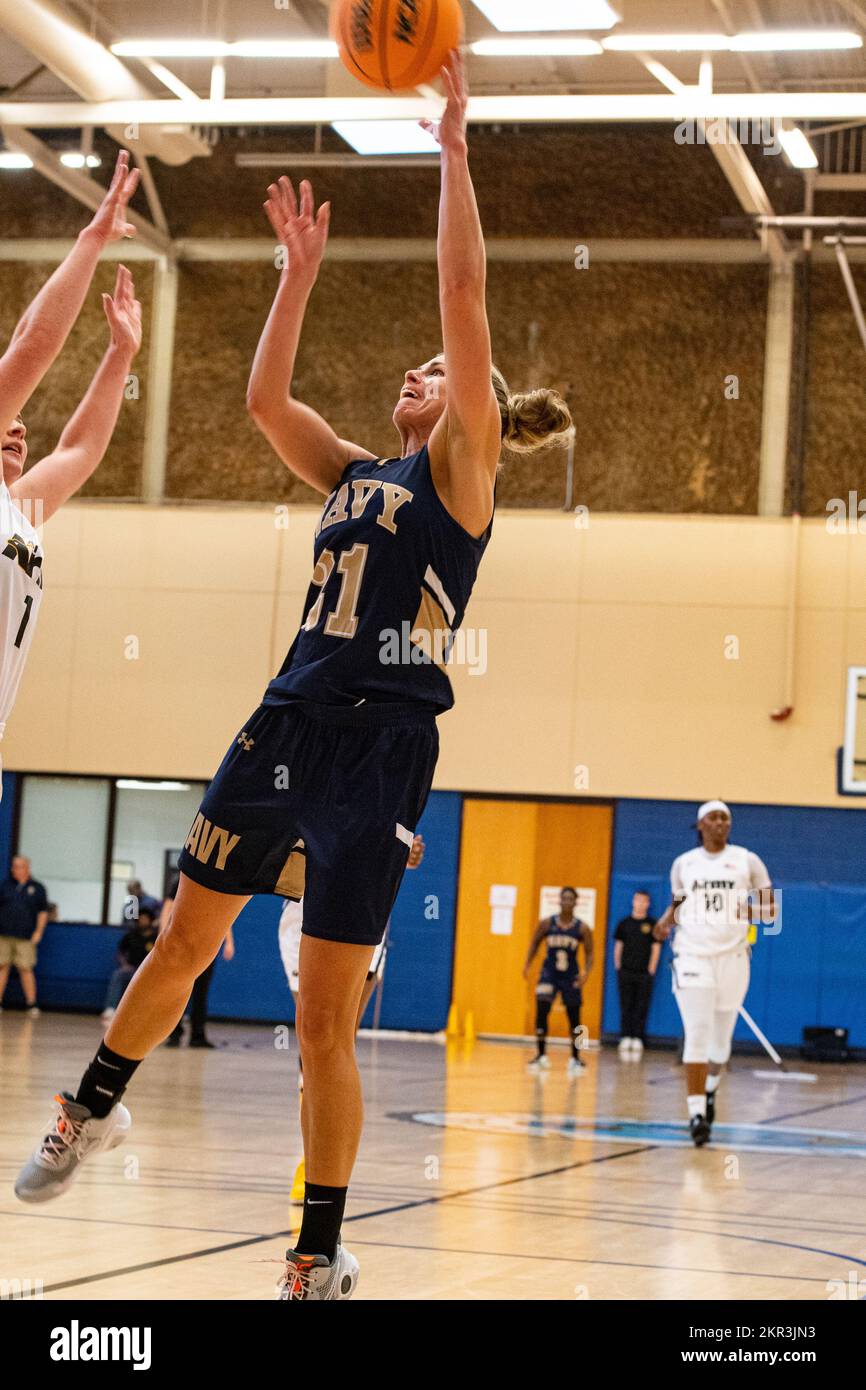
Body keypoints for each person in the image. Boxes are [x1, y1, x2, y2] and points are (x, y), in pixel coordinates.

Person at [15, 52, 573, 1302]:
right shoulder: (353, 472)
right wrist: (298, 277)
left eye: (434, 372)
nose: (415, 377)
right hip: (283, 720)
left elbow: (466, 288)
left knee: (325, 1018)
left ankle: (313, 1255)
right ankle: (88, 1110)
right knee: (181, 940)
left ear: (471, 402)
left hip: (382, 750)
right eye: (414, 373)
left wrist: (453, 153)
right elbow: (267, 397)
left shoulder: (461, 481)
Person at [0, 152, 140, 768]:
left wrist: (120, 355)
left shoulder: (20, 509)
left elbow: (78, 452)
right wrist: (92, 239)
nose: (18, 426)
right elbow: (31, 343)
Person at [279, 833, 424, 1206]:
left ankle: (324, 1172)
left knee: (338, 1045)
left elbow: (391, 851)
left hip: (363, 921)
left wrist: (402, 855)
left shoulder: (385, 789)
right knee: (314, 1041)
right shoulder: (306, 783)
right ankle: (308, 1165)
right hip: (306, 917)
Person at [653, 800, 775, 1147]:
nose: (721, 823)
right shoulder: (684, 864)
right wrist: (665, 922)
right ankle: (695, 1114)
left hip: (733, 957)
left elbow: (770, 912)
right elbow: (678, 904)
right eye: (714, 817)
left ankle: (709, 1092)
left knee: (721, 1042)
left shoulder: (747, 860)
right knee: (697, 1032)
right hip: (692, 955)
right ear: (700, 825)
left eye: (726, 818)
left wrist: (747, 907)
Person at [523, 887, 592, 1076]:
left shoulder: (582, 928)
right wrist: (527, 964)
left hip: (570, 976)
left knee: (576, 1018)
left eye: (571, 899)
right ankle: (541, 1055)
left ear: (576, 903)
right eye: (564, 898)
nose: (567, 902)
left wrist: (586, 973)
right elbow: (534, 943)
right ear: (560, 901)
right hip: (549, 974)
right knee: (541, 1010)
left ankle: (576, 1058)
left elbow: (590, 953)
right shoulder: (547, 924)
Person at [160, 874, 235, 1048]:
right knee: (176, 992)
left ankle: (198, 1035)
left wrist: (229, 941)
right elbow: (167, 908)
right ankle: (174, 1034)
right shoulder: (182, 877)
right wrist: (163, 936)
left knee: (201, 993)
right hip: (183, 945)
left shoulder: (218, 879)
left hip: (207, 945)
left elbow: (224, 913)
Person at [0, 855, 49, 1015]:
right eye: (14, 866)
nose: (15, 869)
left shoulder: (37, 888)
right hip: (4, 935)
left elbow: (43, 912)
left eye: (19, 866)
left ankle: (31, 1004)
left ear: (27, 868)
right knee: (2, 967)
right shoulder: (5, 885)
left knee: (26, 968)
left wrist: (38, 932)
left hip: (26, 936)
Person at [614, 889, 660, 1057]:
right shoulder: (624, 923)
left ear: (648, 904)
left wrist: (652, 967)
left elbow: (656, 947)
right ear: (633, 901)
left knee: (642, 1005)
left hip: (643, 973)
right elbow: (618, 945)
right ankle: (625, 1036)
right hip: (625, 971)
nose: (640, 904)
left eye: (644, 901)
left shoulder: (653, 924)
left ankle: (638, 1037)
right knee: (626, 1005)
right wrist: (618, 964)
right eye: (638, 900)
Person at [101, 908, 159, 1024]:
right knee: (118, 974)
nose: (142, 921)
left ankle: (152, 1013)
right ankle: (111, 1008)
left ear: (150, 921)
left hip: (149, 971)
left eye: (145, 919)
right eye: (140, 919)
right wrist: (124, 964)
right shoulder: (131, 935)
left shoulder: (157, 937)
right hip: (131, 968)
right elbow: (120, 952)